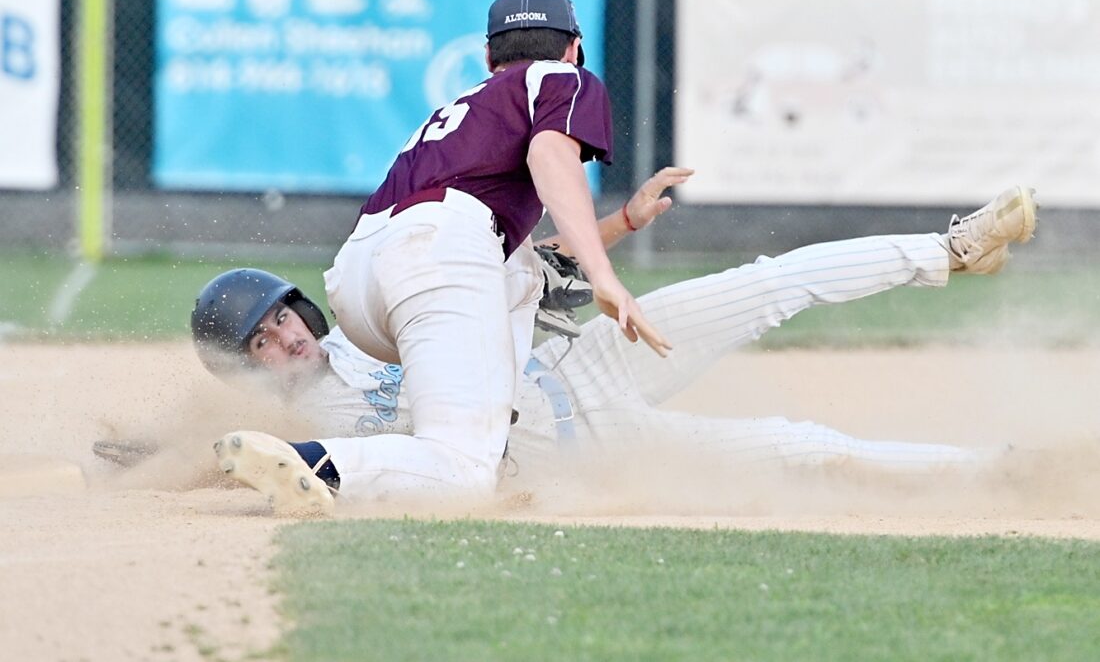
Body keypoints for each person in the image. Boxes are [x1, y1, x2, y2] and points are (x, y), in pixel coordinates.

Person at [190, 184, 1039, 516]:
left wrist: (624, 222)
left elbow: (522, 263)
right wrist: (175, 462)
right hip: (590, 446)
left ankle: (950, 249)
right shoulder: (314, 439)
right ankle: (988, 470)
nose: (283, 337)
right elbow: (276, 466)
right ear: (245, 373)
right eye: (259, 342)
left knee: (767, 282)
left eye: (278, 317)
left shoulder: (375, 319)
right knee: (805, 447)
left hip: (587, 361)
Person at [317, 0, 669, 503]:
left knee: (523, 270)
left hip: (361, 282)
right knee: (462, 472)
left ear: (487, 55)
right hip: (435, 259)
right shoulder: (560, 76)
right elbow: (551, 158)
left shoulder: (462, 107)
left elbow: (468, 235)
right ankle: (315, 460)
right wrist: (604, 277)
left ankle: (490, 436)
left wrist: (621, 222)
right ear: (573, 48)